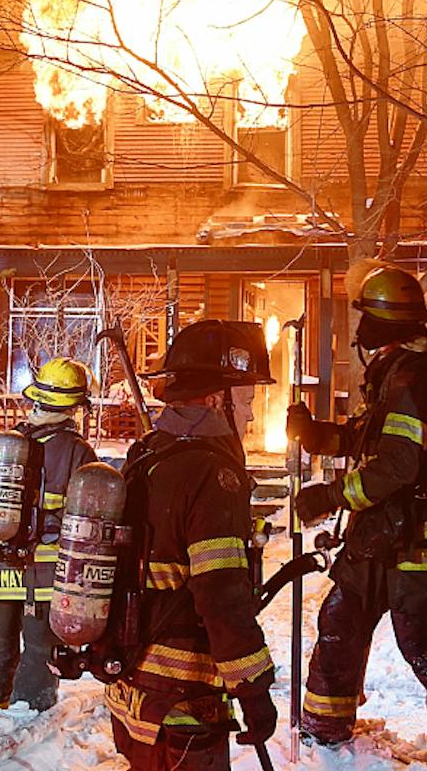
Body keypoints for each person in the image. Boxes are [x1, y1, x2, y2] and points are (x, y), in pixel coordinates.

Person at [287, 263, 427, 748]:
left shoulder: (416, 379)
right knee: (340, 622)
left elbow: (397, 466)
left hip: (420, 539)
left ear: (386, 324)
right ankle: (324, 733)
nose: (360, 330)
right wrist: (317, 436)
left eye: (366, 318)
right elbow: (365, 438)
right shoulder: (393, 374)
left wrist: (330, 495)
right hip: (377, 536)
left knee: (425, 639)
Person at [104, 320, 278, 771]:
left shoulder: (149, 456)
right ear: (216, 400)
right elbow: (220, 598)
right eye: (247, 401)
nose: (252, 416)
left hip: (135, 699)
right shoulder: (211, 476)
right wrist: (254, 690)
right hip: (182, 704)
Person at [0, 356, 100, 711]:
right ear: (75, 405)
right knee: (42, 648)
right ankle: (30, 714)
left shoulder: (5, 445)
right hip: (45, 575)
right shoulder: (78, 451)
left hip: (1, 567)